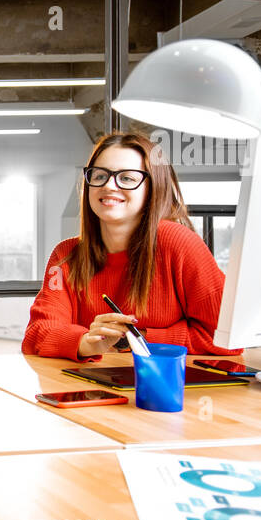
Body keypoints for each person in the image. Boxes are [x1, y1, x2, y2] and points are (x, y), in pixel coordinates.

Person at [23, 131, 241, 361]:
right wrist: (86, 342)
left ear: (152, 188)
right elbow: (37, 333)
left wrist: (140, 338)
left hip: (166, 386)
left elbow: (229, 339)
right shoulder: (66, 255)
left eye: (127, 178)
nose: (109, 185)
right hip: (92, 387)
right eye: (99, 175)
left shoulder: (179, 242)